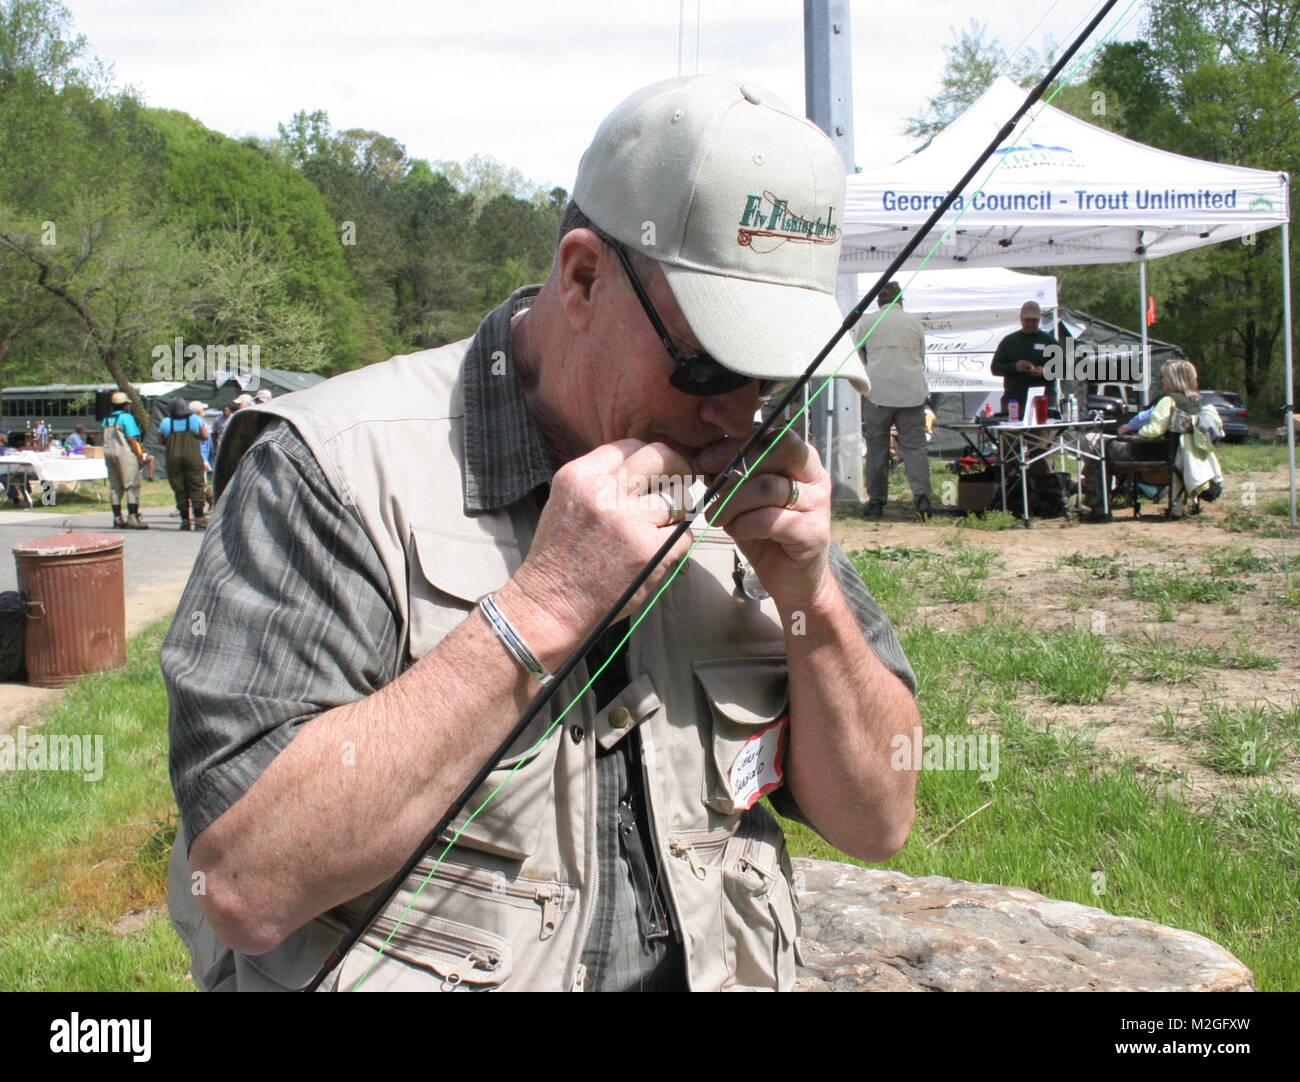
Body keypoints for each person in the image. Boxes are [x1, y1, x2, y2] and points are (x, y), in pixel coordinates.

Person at [163, 75, 920, 992]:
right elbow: (245, 883)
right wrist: (542, 608)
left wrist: (815, 604)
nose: (738, 414)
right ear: (584, 276)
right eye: (711, 362)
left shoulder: (749, 466)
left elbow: (878, 819)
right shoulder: (333, 467)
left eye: (779, 376)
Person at [856, 281, 932, 520]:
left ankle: (876, 502)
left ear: (879, 300)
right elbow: (920, 357)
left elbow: (859, 358)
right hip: (911, 393)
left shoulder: (867, 322)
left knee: (877, 449)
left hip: (878, 393)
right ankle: (922, 498)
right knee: (914, 449)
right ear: (901, 300)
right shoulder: (914, 323)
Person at [1132, 360, 1223, 517]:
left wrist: (1134, 433)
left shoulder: (1169, 400)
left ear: (1175, 380)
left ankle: (1102, 502)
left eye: (1165, 377)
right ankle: (1179, 506)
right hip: (1188, 452)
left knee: (1109, 448)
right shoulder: (1195, 402)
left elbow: (1155, 429)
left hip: (1166, 454)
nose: (1162, 380)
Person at [990, 301, 1060, 416]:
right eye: (1027, 320)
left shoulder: (1049, 342)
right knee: (1013, 433)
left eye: (1034, 321)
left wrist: (1045, 371)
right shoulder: (1009, 341)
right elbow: (995, 368)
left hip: (1043, 399)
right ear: (1021, 318)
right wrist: (1015, 367)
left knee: (1040, 432)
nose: (1030, 324)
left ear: (1039, 320)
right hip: (1015, 399)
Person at [158, 397, 208, 531]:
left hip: (173, 458)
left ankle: (185, 521)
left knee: (179, 488)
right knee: (196, 485)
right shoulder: (194, 419)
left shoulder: (166, 422)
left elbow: (161, 440)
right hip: (192, 456)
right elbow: (205, 436)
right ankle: (200, 519)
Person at [101, 391, 149, 529]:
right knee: (131, 485)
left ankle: (117, 517)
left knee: (115, 486)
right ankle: (133, 517)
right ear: (125, 406)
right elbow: (131, 439)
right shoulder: (126, 418)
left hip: (109, 453)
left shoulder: (107, 419)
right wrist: (139, 456)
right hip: (124, 453)